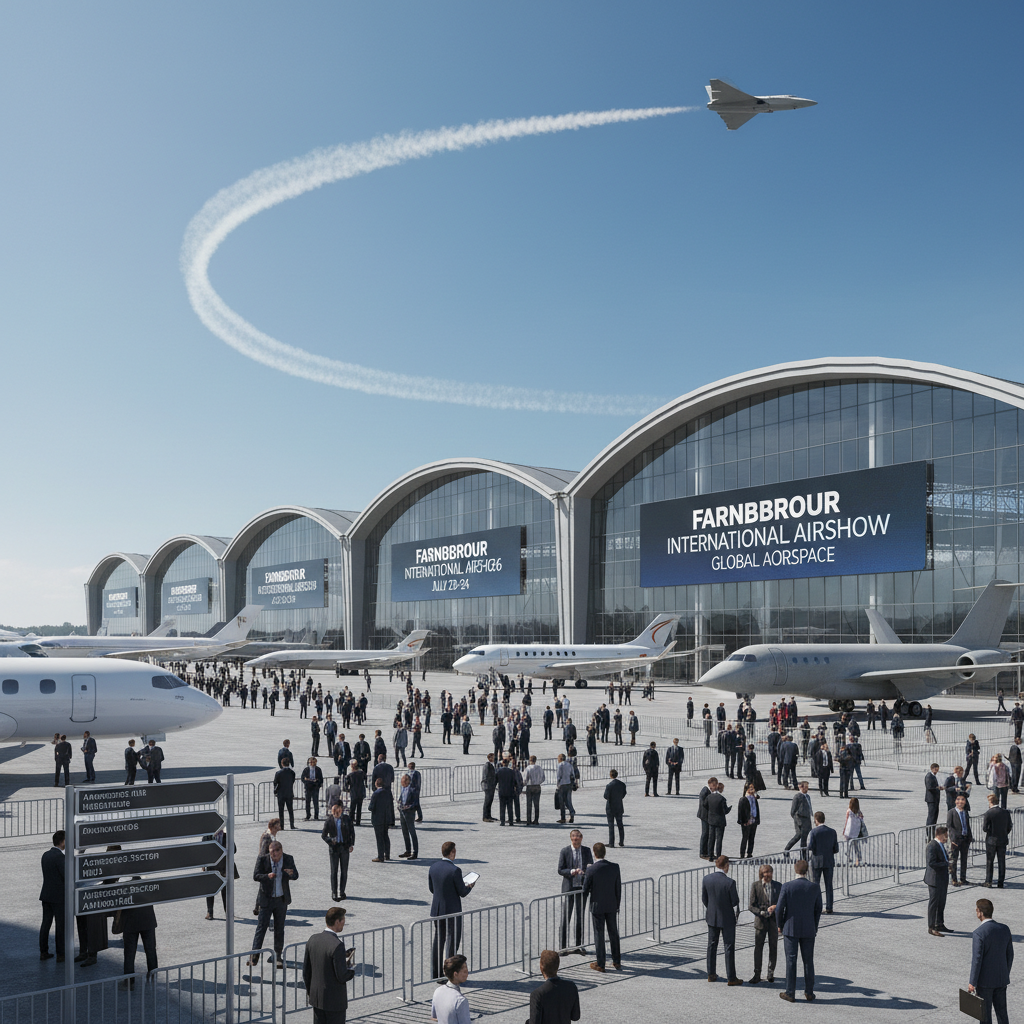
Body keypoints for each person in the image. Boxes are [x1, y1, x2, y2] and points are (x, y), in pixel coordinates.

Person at [776, 859, 822, 1002]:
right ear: (807, 870)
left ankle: (790, 992)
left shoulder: (787, 886)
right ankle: (809, 992)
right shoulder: (814, 887)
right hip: (809, 928)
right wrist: (814, 924)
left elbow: (779, 908)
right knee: (808, 961)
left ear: (795, 870)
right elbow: (818, 908)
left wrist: (780, 924)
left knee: (791, 960)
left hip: (790, 928)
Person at [428, 842, 475, 980]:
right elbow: (462, 892)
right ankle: (449, 974)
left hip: (437, 910)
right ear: (452, 852)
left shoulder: (433, 867)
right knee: (452, 942)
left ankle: (435, 973)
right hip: (452, 911)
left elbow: (432, 889)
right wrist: (470, 886)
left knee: (438, 940)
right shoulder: (455, 870)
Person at [248, 840, 298, 969]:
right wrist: (267, 876)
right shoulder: (263, 859)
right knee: (261, 928)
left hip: (281, 899)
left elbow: (296, 875)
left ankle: (278, 956)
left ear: (281, 851)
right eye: (271, 853)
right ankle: (254, 956)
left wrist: (292, 874)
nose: (274, 856)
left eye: (276, 853)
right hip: (266, 899)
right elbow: (255, 876)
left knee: (279, 929)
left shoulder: (288, 859)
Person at [303, 906, 355, 1024]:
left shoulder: (313, 939)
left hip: (317, 999)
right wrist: (351, 970)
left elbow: (306, 971)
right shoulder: (337, 945)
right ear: (337, 922)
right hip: (334, 1002)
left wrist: (311, 992)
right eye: (343, 922)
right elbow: (341, 976)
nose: (343, 925)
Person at [968, 898, 1014, 1024]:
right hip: (1001, 979)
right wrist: (1005, 973)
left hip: (985, 983)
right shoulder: (1005, 929)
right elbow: (1010, 955)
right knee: (1002, 1014)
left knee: (985, 1016)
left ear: (980, 912)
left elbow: (977, 960)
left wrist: (972, 982)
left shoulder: (979, 933)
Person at [701, 854, 741, 985]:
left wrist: (712, 908)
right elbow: (735, 901)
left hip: (712, 917)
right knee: (728, 947)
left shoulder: (706, 879)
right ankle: (731, 977)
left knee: (712, 945)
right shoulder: (730, 882)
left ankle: (710, 974)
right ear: (726, 866)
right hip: (727, 918)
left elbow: (704, 899)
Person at [582, 842, 621, 972]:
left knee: (599, 934)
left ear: (594, 853)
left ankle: (601, 963)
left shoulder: (591, 869)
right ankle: (617, 961)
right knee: (613, 933)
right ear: (605, 852)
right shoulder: (615, 867)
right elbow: (618, 889)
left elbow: (585, 889)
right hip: (611, 905)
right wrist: (617, 905)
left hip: (597, 906)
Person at [557, 829, 593, 953]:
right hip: (569, 889)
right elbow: (560, 869)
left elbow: (590, 867)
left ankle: (579, 945)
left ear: (581, 838)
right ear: (570, 838)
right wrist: (571, 872)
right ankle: (562, 947)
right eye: (573, 836)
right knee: (566, 918)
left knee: (580, 918)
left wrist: (585, 872)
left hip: (581, 889)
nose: (575, 838)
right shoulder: (565, 851)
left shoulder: (587, 851)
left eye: (577, 836)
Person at [528, 949, 581, 1024]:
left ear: (541, 967)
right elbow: (575, 1016)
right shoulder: (571, 986)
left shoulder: (537, 994)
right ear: (557, 966)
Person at [748, 863, 781, 984]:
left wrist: (775, 907)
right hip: (760, 921)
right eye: (765, 872)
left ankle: (770, 972)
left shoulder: (778, 886)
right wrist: (761, 912)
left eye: (769, 872)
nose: (767, 875)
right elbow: (751, 906)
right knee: (758, 948)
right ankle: (757, 973)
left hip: (773, 922)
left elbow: (783, 904)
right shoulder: (755, 886)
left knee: (773, 947)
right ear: (761, 874)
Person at [38, 830, 65, 962]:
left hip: (46, 895)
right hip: (58, 897)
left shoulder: (45, 855)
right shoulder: (60, 857)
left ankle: (43, 951)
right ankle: (61, 954)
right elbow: (66, 876)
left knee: (46, 924)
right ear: (63, 842)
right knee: (60, 925)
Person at [120, 902, 158, 987]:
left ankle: (129, 981)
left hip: (130, 920)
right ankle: (153, 976)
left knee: (129, 952)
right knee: (151, 949)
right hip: (148, 918)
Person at [807, 811, 838, 913]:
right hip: (829, 861)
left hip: (817, 861)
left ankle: (817, 907)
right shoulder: (832, 831)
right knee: (829, 885)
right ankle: (829, 907)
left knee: (816, 885)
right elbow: (836, 849)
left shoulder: (814, 832)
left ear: (816, 820)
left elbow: (810, 846)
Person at [322, 804, 355, 900]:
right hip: (334, 848)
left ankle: (342, 891)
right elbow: (323, 835)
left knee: (344, 871)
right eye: (333, 812)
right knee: (334, 871)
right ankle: (334, 892)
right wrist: (330, 840)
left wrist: (351, 844)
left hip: (344, 847)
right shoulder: (329, 821)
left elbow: (352, 832)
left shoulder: (347, 819)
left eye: (337, 812)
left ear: (341, 811)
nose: (335, 814)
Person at [981, 793, 1013, 889]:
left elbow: (985, 828)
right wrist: (1004, 833)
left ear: (990, 802)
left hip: (991, 840)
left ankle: (989, 881)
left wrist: (991, 831)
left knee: (990, 861)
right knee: (1002, 861)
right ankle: (1000, 882)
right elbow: (1009, 826)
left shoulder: (989, 813)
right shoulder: (1006, 812)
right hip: (1002, 839)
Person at [925, 825, 951, 936]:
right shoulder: (932, 845)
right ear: (939, 835)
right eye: (945, 836)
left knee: (941, 902)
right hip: (934, 879)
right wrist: (946, 864)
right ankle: (931, 927)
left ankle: (939, 923)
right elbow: (931, 862)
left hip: (942, 878)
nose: (947, 838)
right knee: (934, 904)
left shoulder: (941, 845)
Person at [431, 954, 471, 1024]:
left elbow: (434, 1017)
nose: (467, 973)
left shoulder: (438, 991)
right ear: (455, 974)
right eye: (464, 971)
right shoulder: (461, 1001)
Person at [948, 792, 973, 885]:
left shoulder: (965, 812)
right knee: (954, 860)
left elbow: (967, 825)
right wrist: (952, 839)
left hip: (965, 839)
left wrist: (970, 837)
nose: (960, 802)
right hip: (956, 840)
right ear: (955, 801)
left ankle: (963, 878)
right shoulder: (951, 812)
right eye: (958, 799)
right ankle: (954, 879)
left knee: (964, 860)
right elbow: (949, 827)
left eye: (962, 800)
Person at [368, 778, 394, 862]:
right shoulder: (388, 793)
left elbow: (371, 807)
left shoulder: (375, 794)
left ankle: (380, 856)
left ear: (376, 784)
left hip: (378, 818)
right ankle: (387, 854)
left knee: (379, 838)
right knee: (385, 836)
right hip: (386, 818)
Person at [785, 781, 813, 857]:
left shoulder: (807, 796)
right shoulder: (797, 796)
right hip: (800, 820)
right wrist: (797, 820)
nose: (807, 789)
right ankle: (789, 850)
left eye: (807, 787)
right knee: (800, 837)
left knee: (804, 838)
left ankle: (803, 855)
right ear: (801, 787)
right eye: (805, 787)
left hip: (807, 820)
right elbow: (792, 811)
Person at [705, 782, 730, 860]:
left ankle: (710, 855)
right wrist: (729, 809)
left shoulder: (709, 797)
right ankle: (718, 855)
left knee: (711, 838)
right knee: (719, 839)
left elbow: (705, 805)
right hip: (720, 821)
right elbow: (725, 810)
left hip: (711, 820)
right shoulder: (722, 799)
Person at [397, 773, 419, 859]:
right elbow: (401, 798)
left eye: (404, 782)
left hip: (409, 813)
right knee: (404, 832)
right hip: (402, 812)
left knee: (412, 832)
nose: (403, 784)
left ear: (408, 782)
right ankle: (408, 850)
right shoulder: (402, 788)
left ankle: (415, 852)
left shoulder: (413, 790)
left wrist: (409, 807)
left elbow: (416, 803)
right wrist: (399, 803)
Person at [603, 769, 627, 848]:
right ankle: (621, 841)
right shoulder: (622, 784)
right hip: (619, 806)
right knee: (620, 824)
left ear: (610, 775)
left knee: (611, 825)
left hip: (610, 807)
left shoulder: (609, 785)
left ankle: (611, 843)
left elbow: (605, 796)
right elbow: (624, 794)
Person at [737, 782, 760, 859]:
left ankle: (749, 853)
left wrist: (757, 820)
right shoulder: (743, 799)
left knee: (752, 838)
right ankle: (742, 854)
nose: (751, 789)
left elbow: (756, 809)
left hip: (754, 821)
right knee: (745, 838)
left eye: (753, 787)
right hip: (746, 821)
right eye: (750, 787)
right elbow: (741, 812)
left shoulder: (754, 798)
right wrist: (743, 821)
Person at [697, 777, 716, 860]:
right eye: (714, 785)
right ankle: (702, 853)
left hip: (708, 815)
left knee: (709, 834)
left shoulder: (710, 791)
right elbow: (703, 804)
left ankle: (708, 852)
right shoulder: (705, 791)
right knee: (705, 833)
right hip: (704, 815)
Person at [843, 797, 865, 866]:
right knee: (856, 846)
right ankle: (859, 859)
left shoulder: (848, 811)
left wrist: (844, 829)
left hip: (849, 830)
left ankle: (848, 856)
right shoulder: (859, 812)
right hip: (856, 831)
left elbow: (846, 820)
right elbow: (862, 819)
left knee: (848, 844)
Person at [495, 758, 517, 826]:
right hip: (510, 791)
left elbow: (495, 781)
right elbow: (514, 781)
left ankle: (502, 821)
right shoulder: (511, 771)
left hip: (502, 791)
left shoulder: (498, 771)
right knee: (510, 807)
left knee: (502, 807)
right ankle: (511, 821)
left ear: (502, 763)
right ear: (508, 764)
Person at [524, 756, 545, 826]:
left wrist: (524, 784)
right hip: (537, 786)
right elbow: (543, 778)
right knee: (536, 804)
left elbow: (525, 778)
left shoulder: (528, 768)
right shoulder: (539, 768)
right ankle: (536, 820)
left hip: (530, 786)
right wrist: (539, 782)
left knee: (529, 804)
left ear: (530, 760)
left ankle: (528, 820)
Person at [275, 760, 296, 829]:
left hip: (281, 793)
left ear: (282, 764)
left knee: (281, 810)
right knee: (290, 810)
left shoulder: (278, 773)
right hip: (289, 792)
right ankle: (292, 825)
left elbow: (275, 783)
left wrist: (276, 791)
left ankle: (282, 825)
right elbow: (293, 781)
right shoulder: (292, 772)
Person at [555, 753, 576, 824]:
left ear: (560, 759)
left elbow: (559, 776)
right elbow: (572, 774)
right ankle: (572, 812)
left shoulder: (560, 765)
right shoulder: (569, 765)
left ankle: (563, 817)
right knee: (568, 800)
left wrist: (557, 785)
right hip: (569, 784)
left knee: (562, 802)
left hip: (562, 784)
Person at [924, 762, 942, 829]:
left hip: (935, 799)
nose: (936, 770)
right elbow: (929, 787)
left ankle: (932, 831)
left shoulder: (933, 776)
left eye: (937, 769)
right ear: (932, 768)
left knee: (935, 816)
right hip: (931, 799)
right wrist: (938, 788)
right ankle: (929, 832)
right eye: (935, 769)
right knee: (931, 816)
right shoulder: (929, 776)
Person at [481, 754, 497, 823]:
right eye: (493, 757)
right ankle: (485, 816)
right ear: (490, 758)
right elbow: (486, 776)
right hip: (488, 786)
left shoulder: (492, 765)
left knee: (490, 801)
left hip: (491, 786)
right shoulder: (487, 765)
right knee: (487, 801)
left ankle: (489, 815)